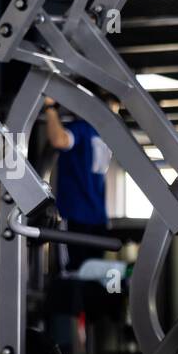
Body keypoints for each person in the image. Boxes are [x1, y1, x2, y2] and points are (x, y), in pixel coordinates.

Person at [42, 95, 113, 271]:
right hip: (97, 219)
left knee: (73, 275)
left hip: (76, 216)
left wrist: (49, 107)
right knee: (92, 274)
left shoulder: (83, 129)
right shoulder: (105, 136)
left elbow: (58, 140)